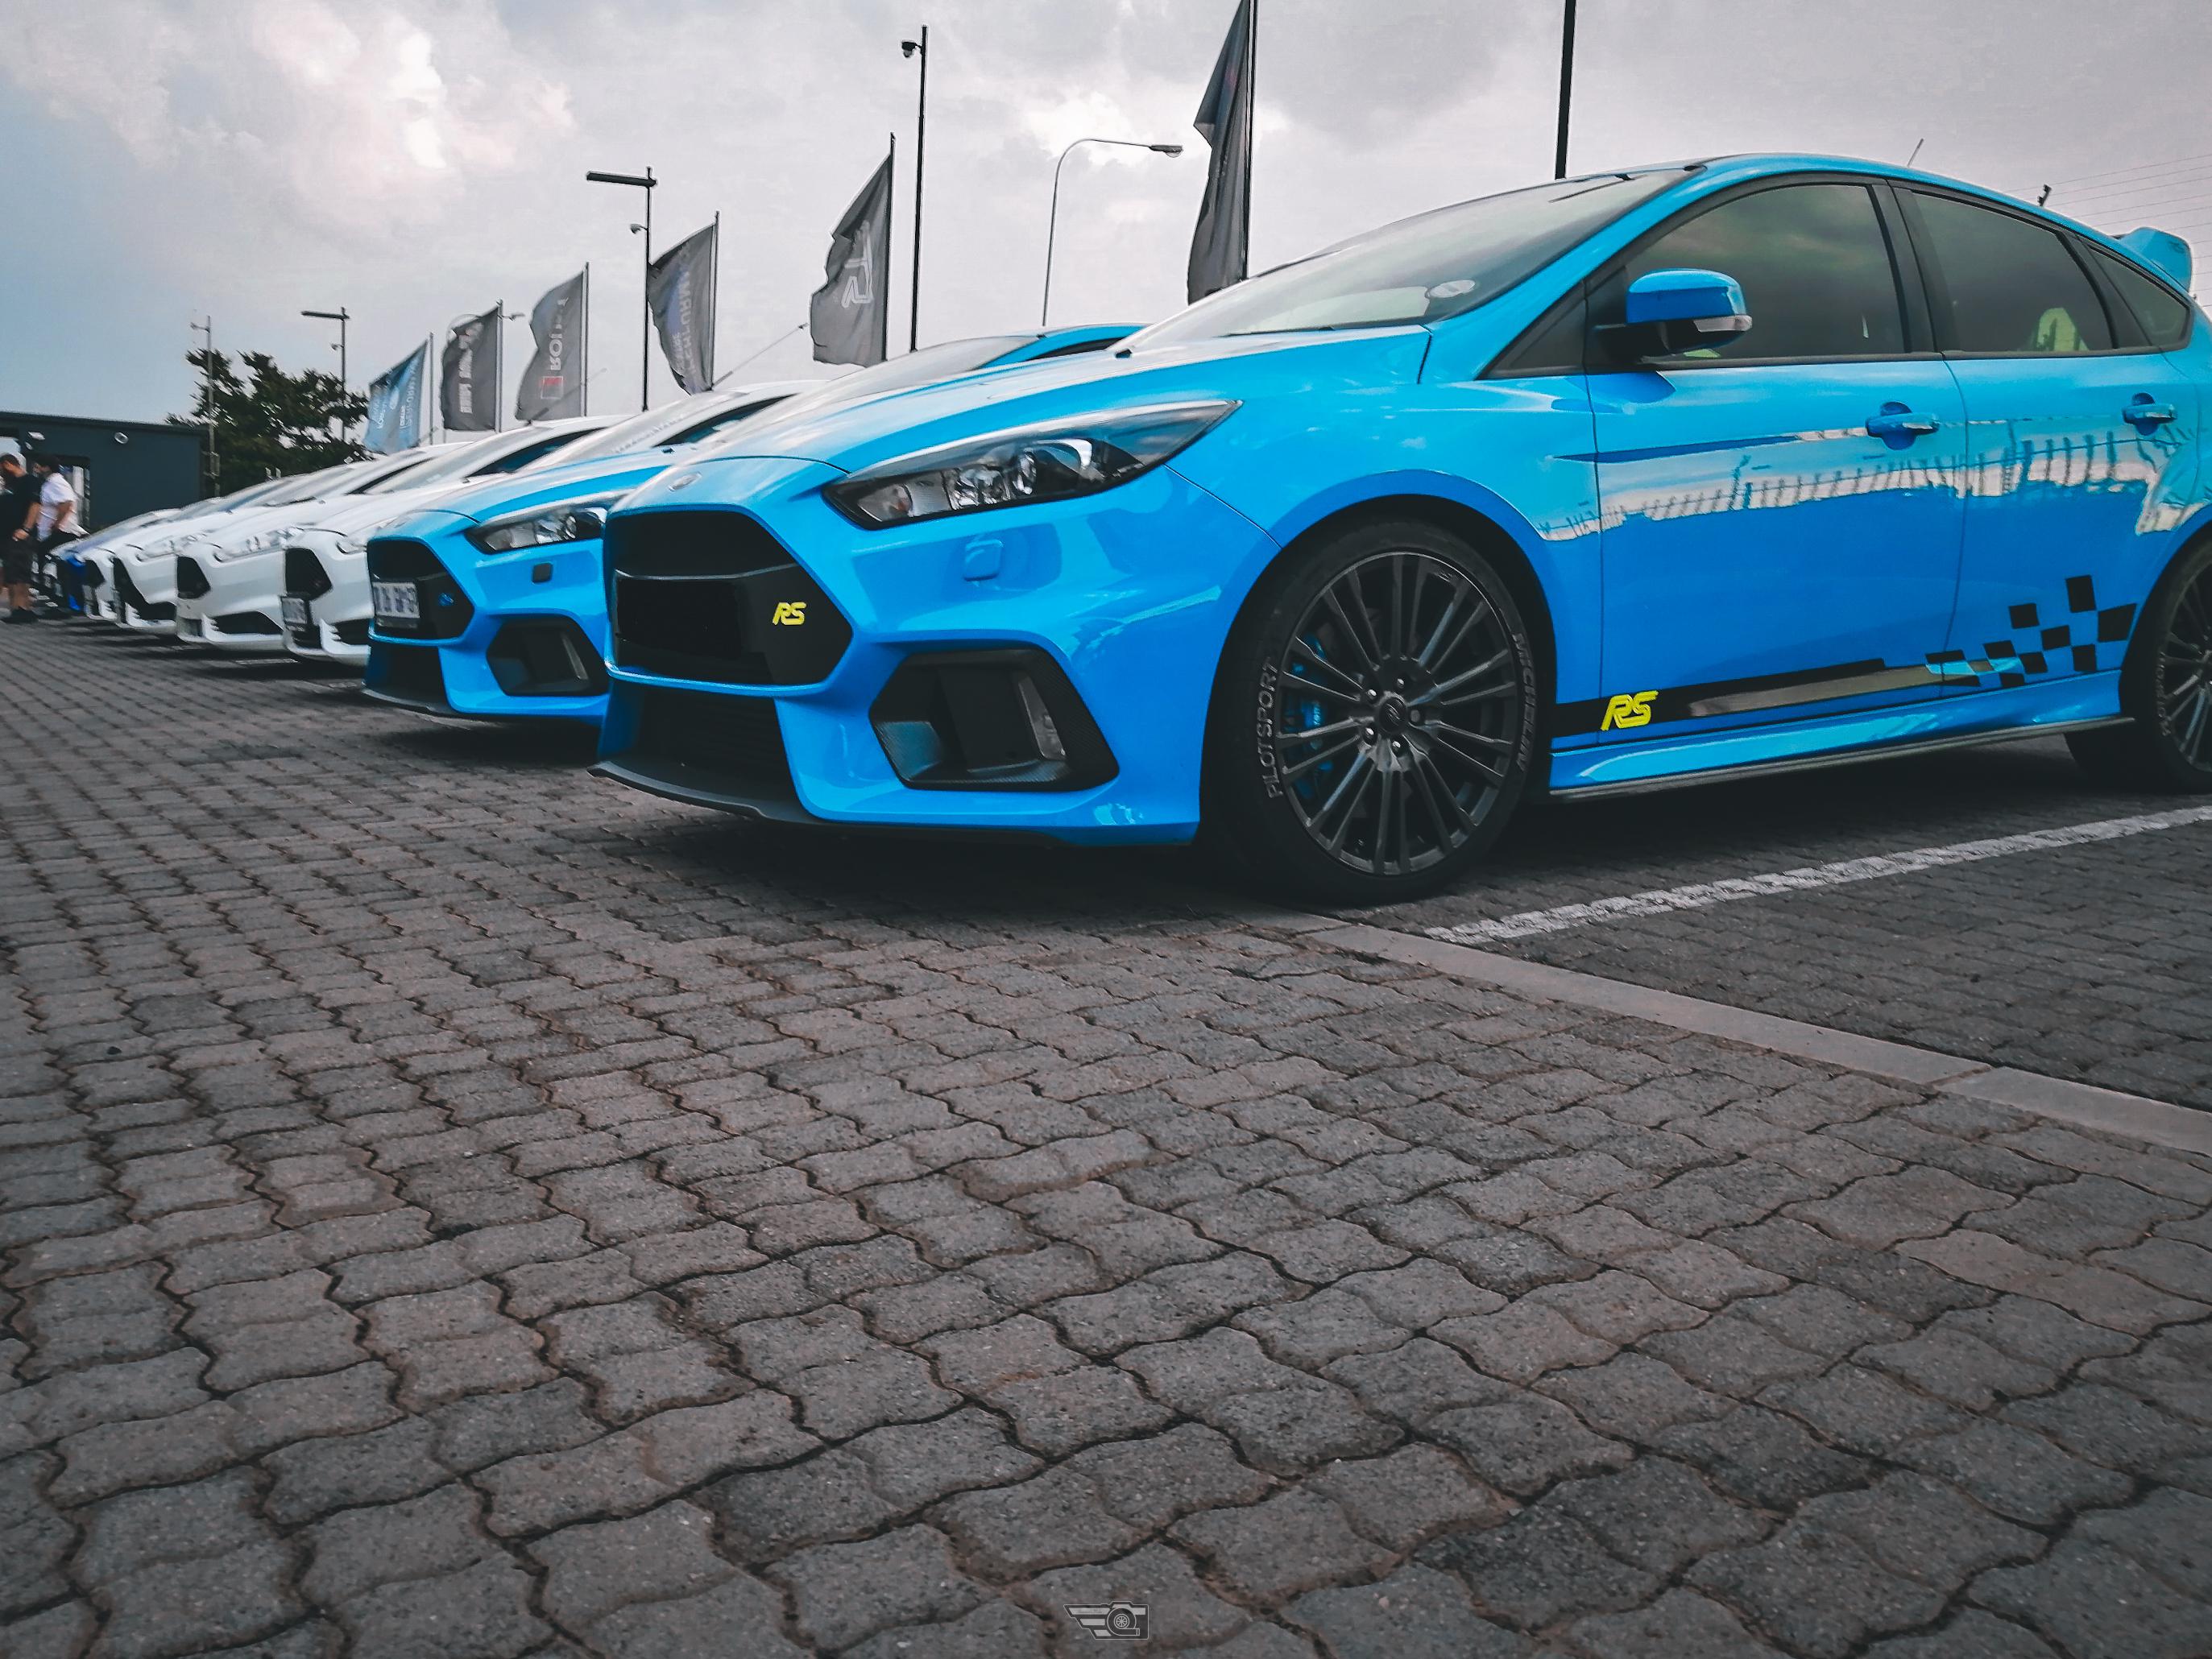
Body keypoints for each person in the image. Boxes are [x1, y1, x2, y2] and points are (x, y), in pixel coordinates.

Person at [31, 457, 83, 614]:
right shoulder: (50, 483)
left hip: (61, 532)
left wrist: (57, 523)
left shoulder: (56, 482)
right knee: (52, 564)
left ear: (47, 467)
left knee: (49, 562)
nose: (36, 469)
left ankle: (65, 602)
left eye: (38, 466)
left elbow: (66, 502)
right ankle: (59, 599)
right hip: (52, 532)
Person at [1, 452, 39, 622]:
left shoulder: (29, 481)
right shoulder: (11, 484)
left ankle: (21, 608)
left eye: (1, 469)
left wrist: (26, 528)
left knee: (19, 572)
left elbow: (35, 504)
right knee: (12, 571)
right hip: (7, 535)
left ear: (9, 464)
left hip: (19, 535)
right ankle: (19, 608)